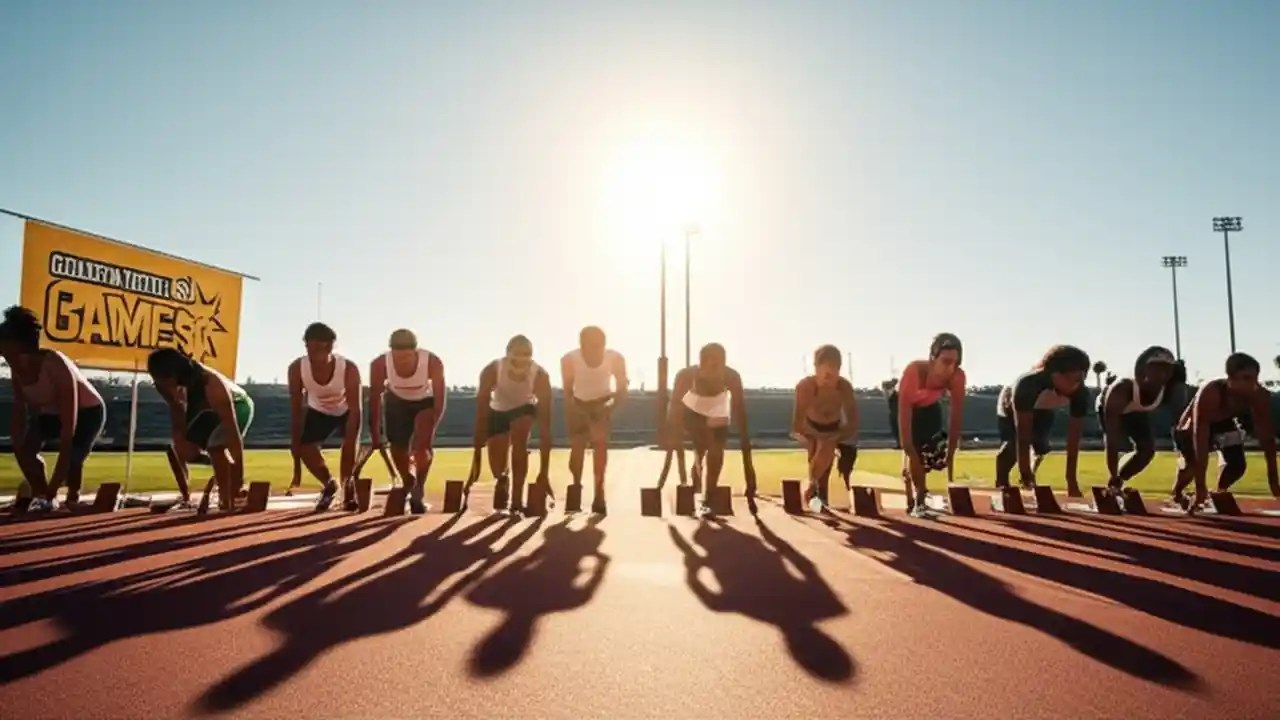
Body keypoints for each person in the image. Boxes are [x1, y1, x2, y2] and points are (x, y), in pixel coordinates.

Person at [0, 306, 106, 513]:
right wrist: (19, 447)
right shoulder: (16, 369)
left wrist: (53, 489)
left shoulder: (55, 365)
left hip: (86, 412)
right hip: (50, 411)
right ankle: (41, 495)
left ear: (18, 346)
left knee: (72, 460)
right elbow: (19, 413)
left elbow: (68, 434)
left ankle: (71, 496)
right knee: (24, 448)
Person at [147, 347, 255, 512]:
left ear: (173, 374)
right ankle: (191, 493)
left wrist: (238, 479)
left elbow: (232, 431)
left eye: (162, 380)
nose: (159, 385)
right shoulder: (166, 385)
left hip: (238, 406)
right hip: (202, 410)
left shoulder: (210, 383)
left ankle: (231, 493)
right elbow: (177, 420)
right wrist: (182, 443)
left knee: (216, 446)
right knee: (179, 449)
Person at [1171, 352, 1279, 513]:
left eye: (1255, 378)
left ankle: (1218, 492)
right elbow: (1199, 439)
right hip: (1192, 426)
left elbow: (1266, 438)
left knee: (1237, 465)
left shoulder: (1258, 395)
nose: (1253, 385)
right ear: (1231, 378)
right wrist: (1201, 485)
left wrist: (1274, 483)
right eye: (1246, 378)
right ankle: (1177, 493)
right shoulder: (1210, 393)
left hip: (1224, 421)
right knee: (1192, 465)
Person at [666, 343, 758, 516]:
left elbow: (739, 409)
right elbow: (675, 407)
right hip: (691, 410)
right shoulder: (686, 376)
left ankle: (708, 496)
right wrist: (673, 435)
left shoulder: (731, 377)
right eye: (709, 367)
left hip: (717, 409)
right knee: (701, 446)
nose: (713, 372)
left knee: (716, 448)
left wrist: (747, 455)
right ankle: (697, 467)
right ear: (700, 366)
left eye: (717, 367)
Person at [469, 335, 554, 515]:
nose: (519, 367)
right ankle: (502, 478)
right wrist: (477, 450)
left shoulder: (540, 375)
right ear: (508, 356)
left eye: (525, 361)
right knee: (497, 463)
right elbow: (482, 406)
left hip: (524, 407)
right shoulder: (492, 370)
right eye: (516, 361)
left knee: (520, 443)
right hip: (497, 410)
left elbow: (545, 424)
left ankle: (516, 499)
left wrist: (544, 472)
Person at [994, 345, 1091, 495]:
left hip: (1044, 409)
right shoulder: (1028, 385)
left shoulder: (1081, 394)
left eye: (1081, 379)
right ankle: (1002, 482)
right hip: (1011, 405)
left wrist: (1071, 481)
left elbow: (1073, 440)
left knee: (1041, 445)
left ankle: (1031, 476)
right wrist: (1024, 473)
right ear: (1056, 374)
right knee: (1012, 445)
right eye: (1072, 379)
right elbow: (1023, 436)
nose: (1076, 385)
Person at [287, 322, 363, 512]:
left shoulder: (348, 369)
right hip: (318, 410)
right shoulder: (297, 369)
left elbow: (356, 409)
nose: (315, 354)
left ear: (330, 347)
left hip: (346, 410)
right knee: (304, 448)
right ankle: (329, 483)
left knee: (349, 445)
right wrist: (295, 444)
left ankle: (347, 488)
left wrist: (351, 441)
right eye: (311, 347)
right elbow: (296, 409)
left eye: (321, 347)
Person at [369, 329, 446, 515]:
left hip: (425, 402)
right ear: (391, 352)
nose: (403, 361)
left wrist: (429, 432)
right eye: (398, 357)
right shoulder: (380, 364)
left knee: (421, 448)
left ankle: (419, 487)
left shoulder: (432, 362)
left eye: (408, 357)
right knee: (397, 448)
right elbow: (374, 399)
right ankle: (408, 481)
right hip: (396, 401)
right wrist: (375, 432)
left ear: (416, 352)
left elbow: (439, 401)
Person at [897, 333, 967, 518]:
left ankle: (921, 491)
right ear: (932, 359)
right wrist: (908, 447)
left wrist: (951, 451)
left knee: (933, 454)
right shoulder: (915, 371)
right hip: (904, 406)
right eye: (945, 362)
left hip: (929, 406)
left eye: (955, 363)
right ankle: (917, 499)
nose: (950, 368)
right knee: (914, 451)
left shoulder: (957, 377)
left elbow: (956, 414)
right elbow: (904, 411)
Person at [561, 326, 628, 515]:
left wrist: (608, 409)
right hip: (578, 403)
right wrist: (578, 413)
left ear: (604, 345)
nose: (594, 350)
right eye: (589, 346)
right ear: (581, 346)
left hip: (603, 403)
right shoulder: (569, 360)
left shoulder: (615, 359)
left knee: (600, 444)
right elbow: (567, 392)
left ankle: (599, 492)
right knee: (577, 447)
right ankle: (575, 485)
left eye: (598, 346)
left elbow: (622, 390)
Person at [1095, 346, 1180, 495]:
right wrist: (1112, 473)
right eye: (1157, 368)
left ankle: (1119, 482)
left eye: (1167, 369)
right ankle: (1113, 480)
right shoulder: (1122, 389)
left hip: (1136, 411)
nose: (1163, 374)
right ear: (1145, 369)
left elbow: (1180, 423)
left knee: (1147, 450)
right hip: (1110, 406)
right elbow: (1111, 438)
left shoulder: (1172, 390)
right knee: (1119, 443)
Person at [790, 344, 858, 510]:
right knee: (819, 451)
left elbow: (853, 423)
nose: (828, 377)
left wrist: (836, 439)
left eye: (833, 371)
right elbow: (796, 425)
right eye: (824, 371)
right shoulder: (806, 387)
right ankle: (814, 489)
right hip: (808, 428)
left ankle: (819, 493)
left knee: (827, 454)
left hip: (834, 428)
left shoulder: (844, 388)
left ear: (839, 370)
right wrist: (814, 439)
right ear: (816, 368)